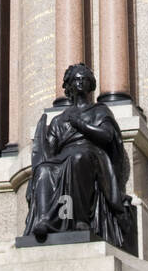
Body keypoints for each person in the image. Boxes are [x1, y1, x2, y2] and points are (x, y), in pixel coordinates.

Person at [23, 63, 133, 247]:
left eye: (84, 79)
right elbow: (50, 149)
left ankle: (80, 219)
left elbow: (107, 135)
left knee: (78, 158)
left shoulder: (100, 110)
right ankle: (44, 220)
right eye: (76, 79)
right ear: (69, 86)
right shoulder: (59, 120)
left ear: (90, 84)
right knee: (43, 170)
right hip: (63, 156)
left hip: (91, 152)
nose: (80, 82)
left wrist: (81, 125)